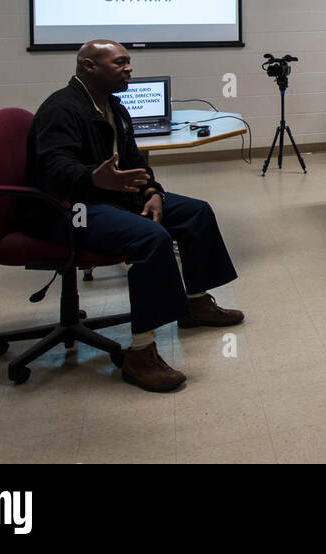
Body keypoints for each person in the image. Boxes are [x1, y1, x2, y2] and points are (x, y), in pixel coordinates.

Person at [25, 40, 244, 392]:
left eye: (129, 62)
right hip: (73, 209)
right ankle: (140, 354)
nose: (129, 69)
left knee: (196, 213)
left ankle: (194, 305)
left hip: (114, 197)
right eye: (120, 63)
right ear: (88, 67)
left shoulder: (113, 105)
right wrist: (93, 178)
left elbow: (134, 162)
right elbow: (52, 170)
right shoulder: (61, 109)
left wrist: (152, 192)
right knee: (150, 237)